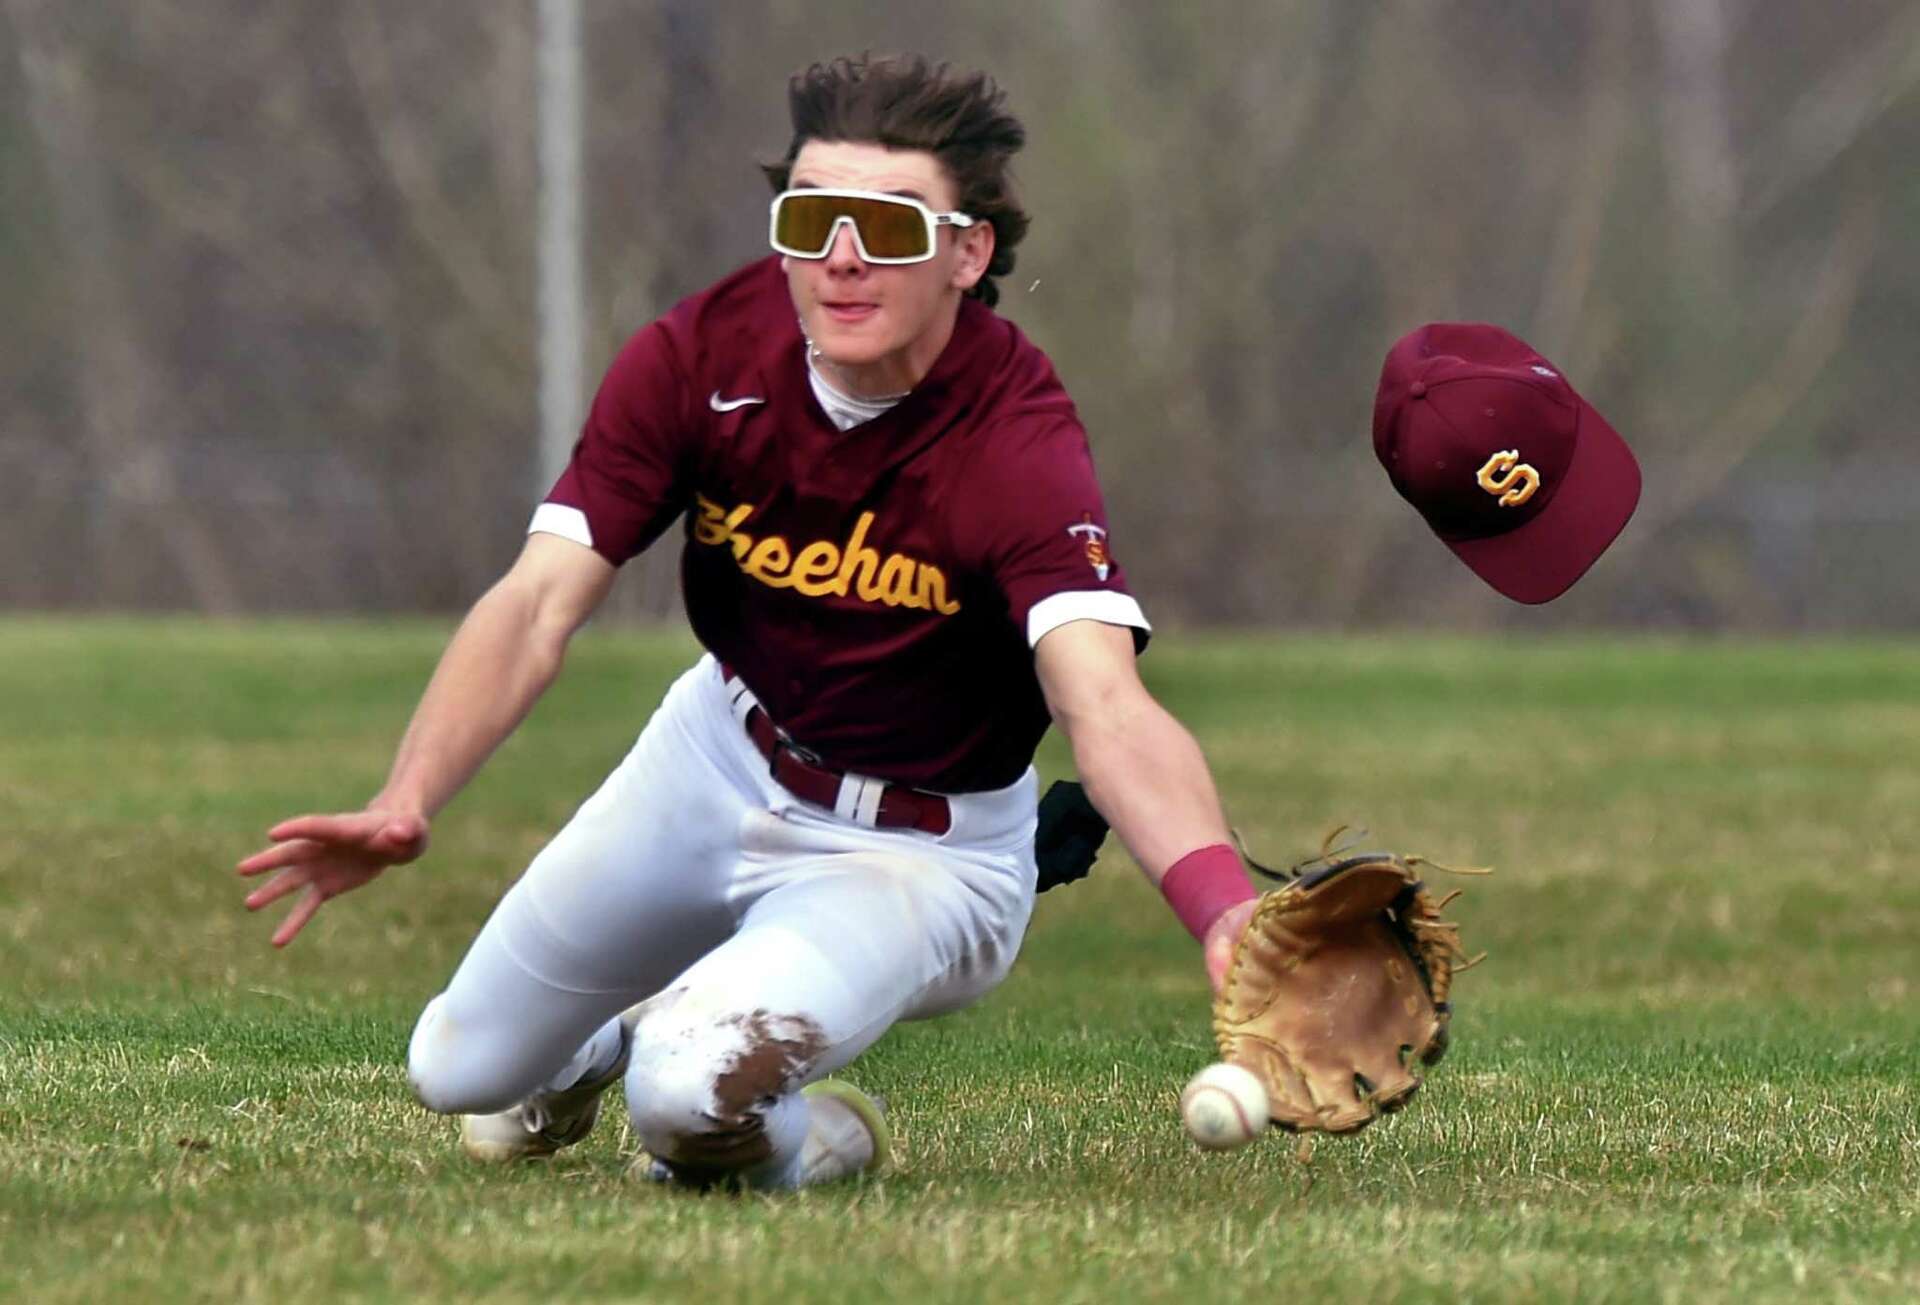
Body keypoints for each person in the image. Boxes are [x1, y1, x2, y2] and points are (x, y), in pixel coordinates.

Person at [237, 52, 1262, 1191]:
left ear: (969, 252)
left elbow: (1105, 706)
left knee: (688, 1102)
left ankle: (825, 1139)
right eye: (813, 215)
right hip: (719, 755)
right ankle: (602, 1042)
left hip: (916, 856)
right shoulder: (703, 356)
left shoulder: (1014, 441)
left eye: (891, 224)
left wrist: (1224, 910)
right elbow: (537, 604)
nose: (843, 256)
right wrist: (406, 798)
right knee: (455, 1069)